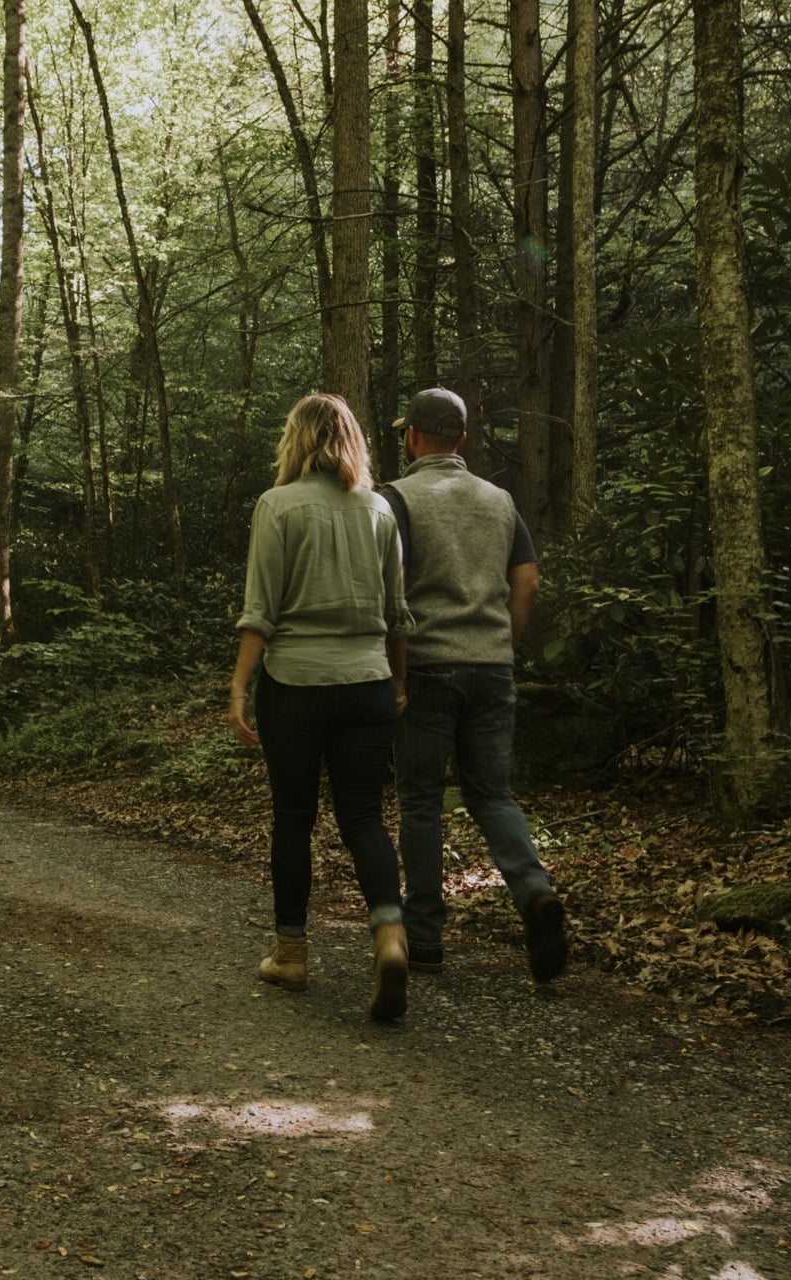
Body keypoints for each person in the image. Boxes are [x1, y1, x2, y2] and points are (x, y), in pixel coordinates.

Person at [227, 392, 414, 1020]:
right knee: (363, 818)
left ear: (297, 440)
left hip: (296, 684)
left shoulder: (276, 506)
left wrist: (238, 687)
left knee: (293, 819)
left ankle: (291, 954)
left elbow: (260, 611)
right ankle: (389, 935)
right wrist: (397, 683)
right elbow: (397, 617)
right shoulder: (381, 510)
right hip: (367, 680)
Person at [382, 387, 568, 983]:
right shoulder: (499, 500)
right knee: (493, 795)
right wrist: (503, 645)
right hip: (491, 666)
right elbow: (529, 583)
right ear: (461, 439)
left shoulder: (397, 500)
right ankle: (534, 890)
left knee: (420, 801)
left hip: (428, 666)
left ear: (412, 436)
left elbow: (394, 596)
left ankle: (428, 939)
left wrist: (398, 674)